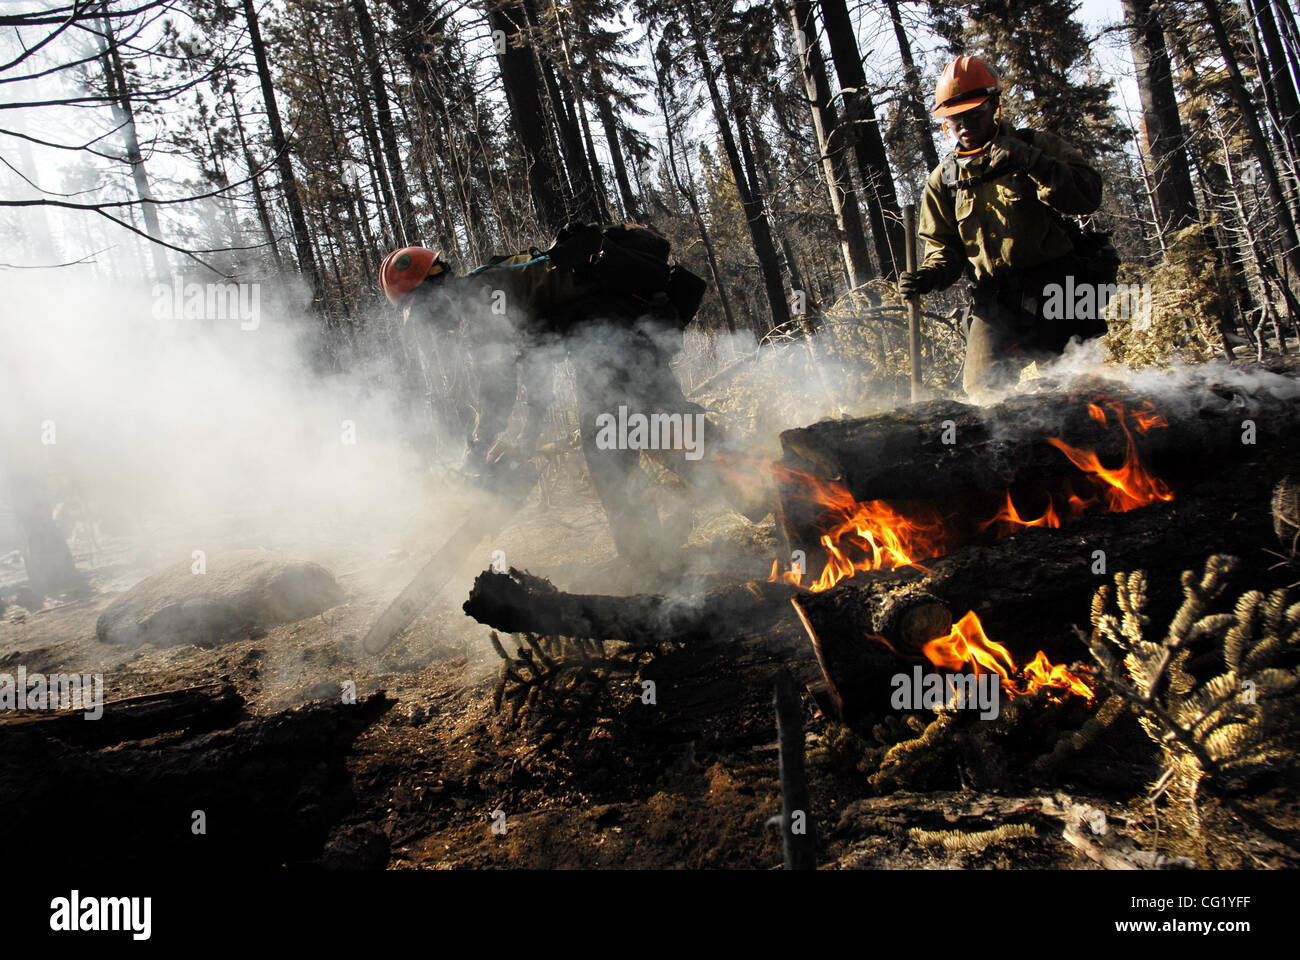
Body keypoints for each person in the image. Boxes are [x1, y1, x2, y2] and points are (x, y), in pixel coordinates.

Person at [379, 225, 767, 575]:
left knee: (632, 436)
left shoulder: (483, 298)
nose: (433, 327)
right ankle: (756, 495)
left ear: (436, 290)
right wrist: (523, 438)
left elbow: (501, 384)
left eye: (426, 314)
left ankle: (755, 500)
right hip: (614, 336)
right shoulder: (487, 294)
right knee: (645, 433)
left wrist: (482, 447)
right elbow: (535, 359)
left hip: (614, 335)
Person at [898, 55, 1117, 398]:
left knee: (1078, 395)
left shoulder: (1037, 146)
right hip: (996, 303)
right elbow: (943, 250)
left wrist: (1033, 163)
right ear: (945, 124)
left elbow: (1087, 196)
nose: (965, 125)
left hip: (1059, 292)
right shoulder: (944, 181)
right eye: (956, 120)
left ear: (995, 106)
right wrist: (929, 275)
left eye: (974, 114)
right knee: (984, 396)